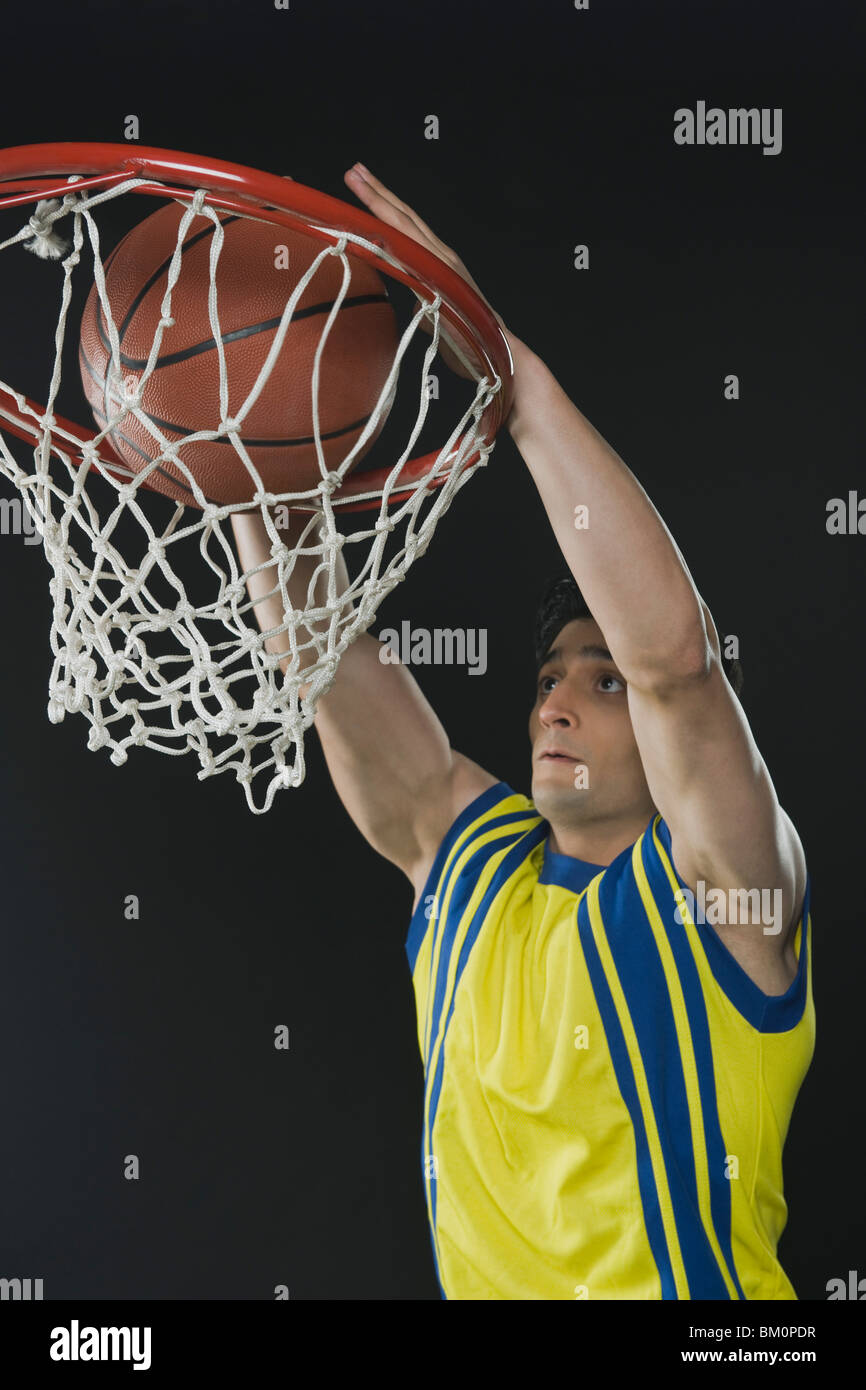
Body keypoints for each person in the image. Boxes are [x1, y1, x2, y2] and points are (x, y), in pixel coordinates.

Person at [231, 162, 814, 1300]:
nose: (553, 698)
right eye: (550, 675)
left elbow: (679, 667)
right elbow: (323, 655)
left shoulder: (727, 888)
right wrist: (248, 459)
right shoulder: (468, 864)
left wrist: (509, 376)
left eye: (600, 685)